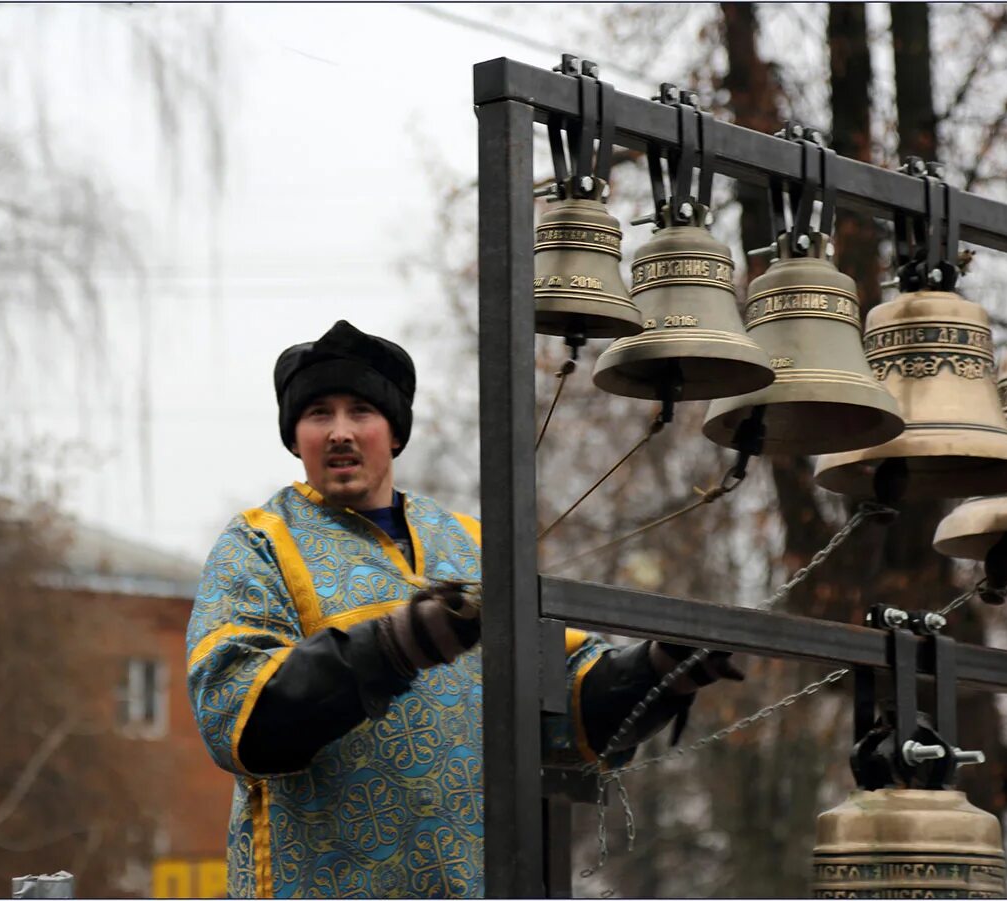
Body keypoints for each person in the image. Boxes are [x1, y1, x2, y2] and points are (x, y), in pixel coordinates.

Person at [186, 320, 742, 899]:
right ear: (294, 435)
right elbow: (234, 713)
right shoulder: (259, 544)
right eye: (318, 413)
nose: (340, 432)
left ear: (395, 432)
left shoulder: (474, 544)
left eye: (362, 412)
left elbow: (560, 706)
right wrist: (396, 647)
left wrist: (657, 670)